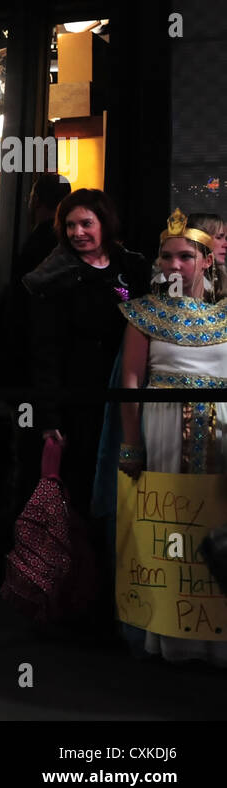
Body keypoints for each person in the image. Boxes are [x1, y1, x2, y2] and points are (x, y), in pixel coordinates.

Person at [116, 210, 227, 666]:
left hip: (222, 426)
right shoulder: (142, 312)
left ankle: (217, 637)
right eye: (167, 256)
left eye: (186, 255)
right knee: (169, 529)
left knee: (216, 526)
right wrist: (131, 442)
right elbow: (130, 381)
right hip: (162, 424)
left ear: (206, 262)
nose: (174, 264)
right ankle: (170, 633)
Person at [23, 188, 150, 514]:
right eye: (69, 225)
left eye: (86, 223)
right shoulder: (52, 277)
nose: (77, 232)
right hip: (78, 399)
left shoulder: (134, 267)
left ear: (105, 223)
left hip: (128, 393)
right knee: (83, 487)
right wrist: (49, 417)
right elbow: (44, 351)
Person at [186, 212, 227, 300]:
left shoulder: (220, 277)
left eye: (225, 239)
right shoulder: (182, 281)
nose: (225, 244)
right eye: (219, 237)